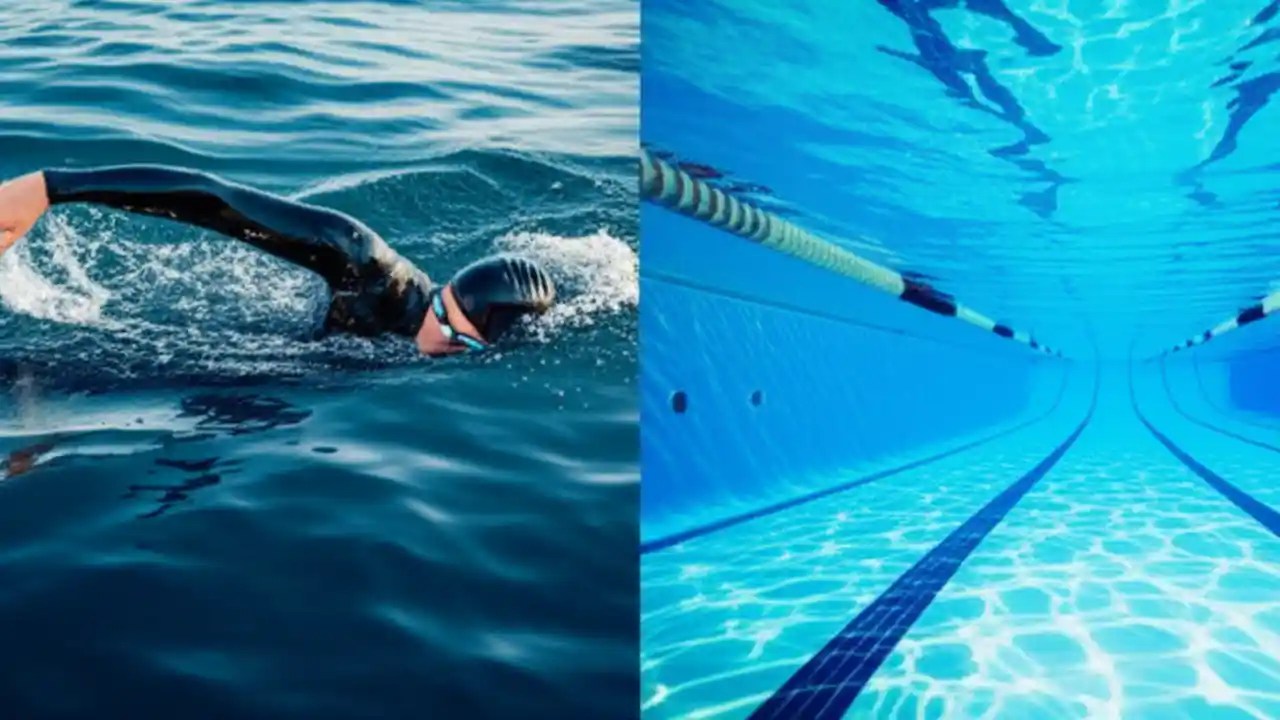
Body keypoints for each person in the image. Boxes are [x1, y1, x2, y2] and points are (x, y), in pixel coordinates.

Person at [0, 166, 556, 356]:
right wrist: (49, 188)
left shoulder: (450, 346)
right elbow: (209, 196)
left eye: (461, 347)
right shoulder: (367, 264)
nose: (438, 343)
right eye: (442, 318)